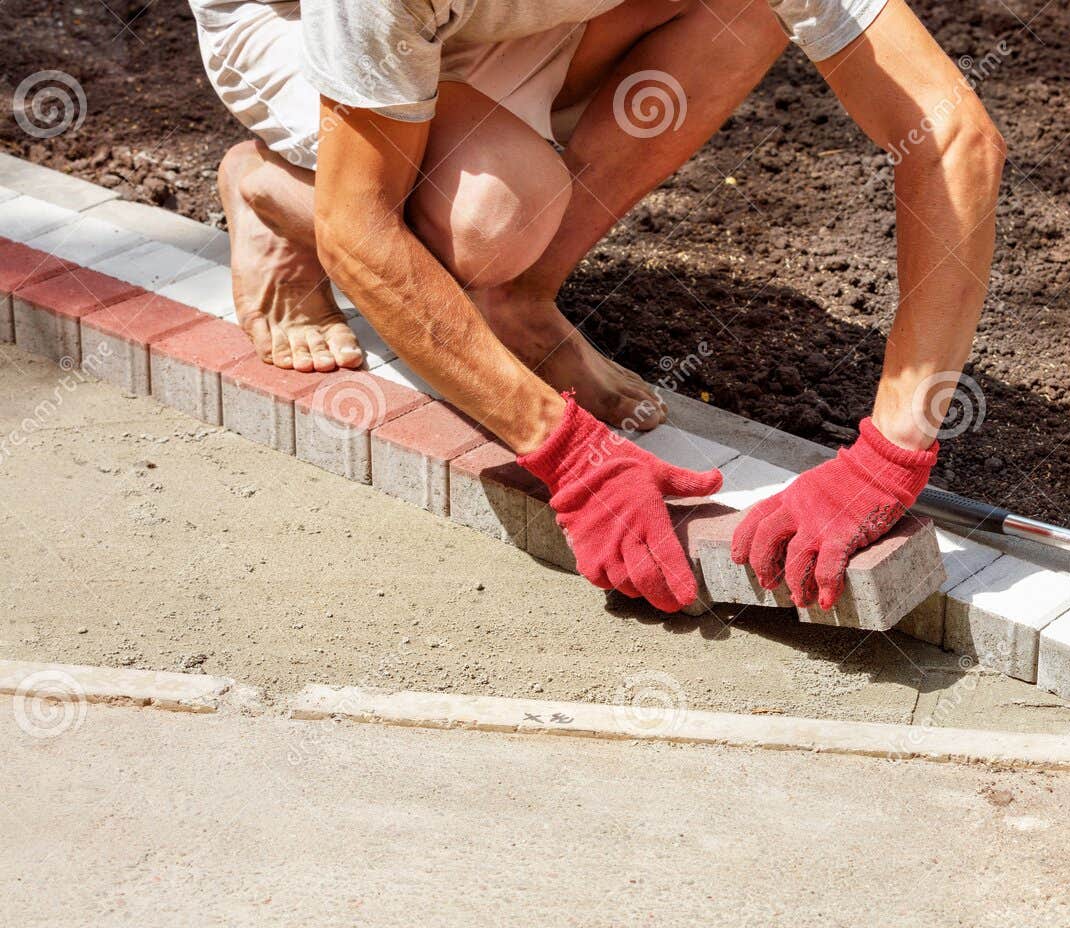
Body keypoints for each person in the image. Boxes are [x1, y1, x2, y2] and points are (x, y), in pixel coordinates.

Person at [189, 0, 1004, 614]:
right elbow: (362, 228)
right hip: (291, 24)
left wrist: (892, 452)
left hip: (492, 21)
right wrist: (567, 452)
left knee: (749, 8)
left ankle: (518, 294)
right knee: (493, 219)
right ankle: (268, 192)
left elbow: (949, 132)